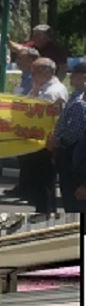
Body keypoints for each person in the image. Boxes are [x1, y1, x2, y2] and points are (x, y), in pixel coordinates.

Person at [26, 58, 69, 214]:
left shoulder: (54, 91)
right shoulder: (41, 88)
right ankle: (44, 210)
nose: (32, 76)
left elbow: (37, 112)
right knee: (39, 181)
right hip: (37, 140)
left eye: (34, 72)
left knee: (44, 181)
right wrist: (35, 89)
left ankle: (46, 212)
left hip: (47, 142)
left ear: (47, 72)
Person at [5, 47, 41, 202]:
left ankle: (29, 190)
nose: (18, 61)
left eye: (21, 58)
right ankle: (23, 186)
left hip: (30, 122)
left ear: (32, 61)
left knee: (29, 159)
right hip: (20, 120)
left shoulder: (34, 78)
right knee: (23, 158)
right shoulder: (24, 76)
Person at [52, 62, 86, 211]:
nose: (71, 78)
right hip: (72, 156)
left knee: (74, 203)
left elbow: (74, 133)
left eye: (74, 75)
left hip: (73, 156)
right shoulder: (76, 98)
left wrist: (58, 142)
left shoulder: (80, 104)